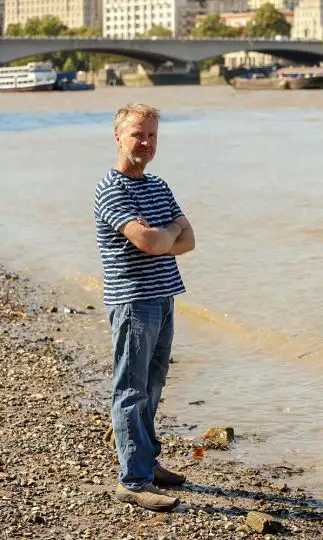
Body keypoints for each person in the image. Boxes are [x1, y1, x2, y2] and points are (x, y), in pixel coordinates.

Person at [93, 103, 196, 512]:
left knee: (154, 385)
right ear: (118, 136)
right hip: (133, 301)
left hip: (165, 294)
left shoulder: (158, 185)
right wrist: (167, 232)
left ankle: (147, 463)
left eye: (152, 135)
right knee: (131, 388)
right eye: (138, 134)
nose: (146, 143)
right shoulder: (111, 189)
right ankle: (133, 480)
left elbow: (189, 241)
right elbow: (154, 243)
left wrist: (164, 233)